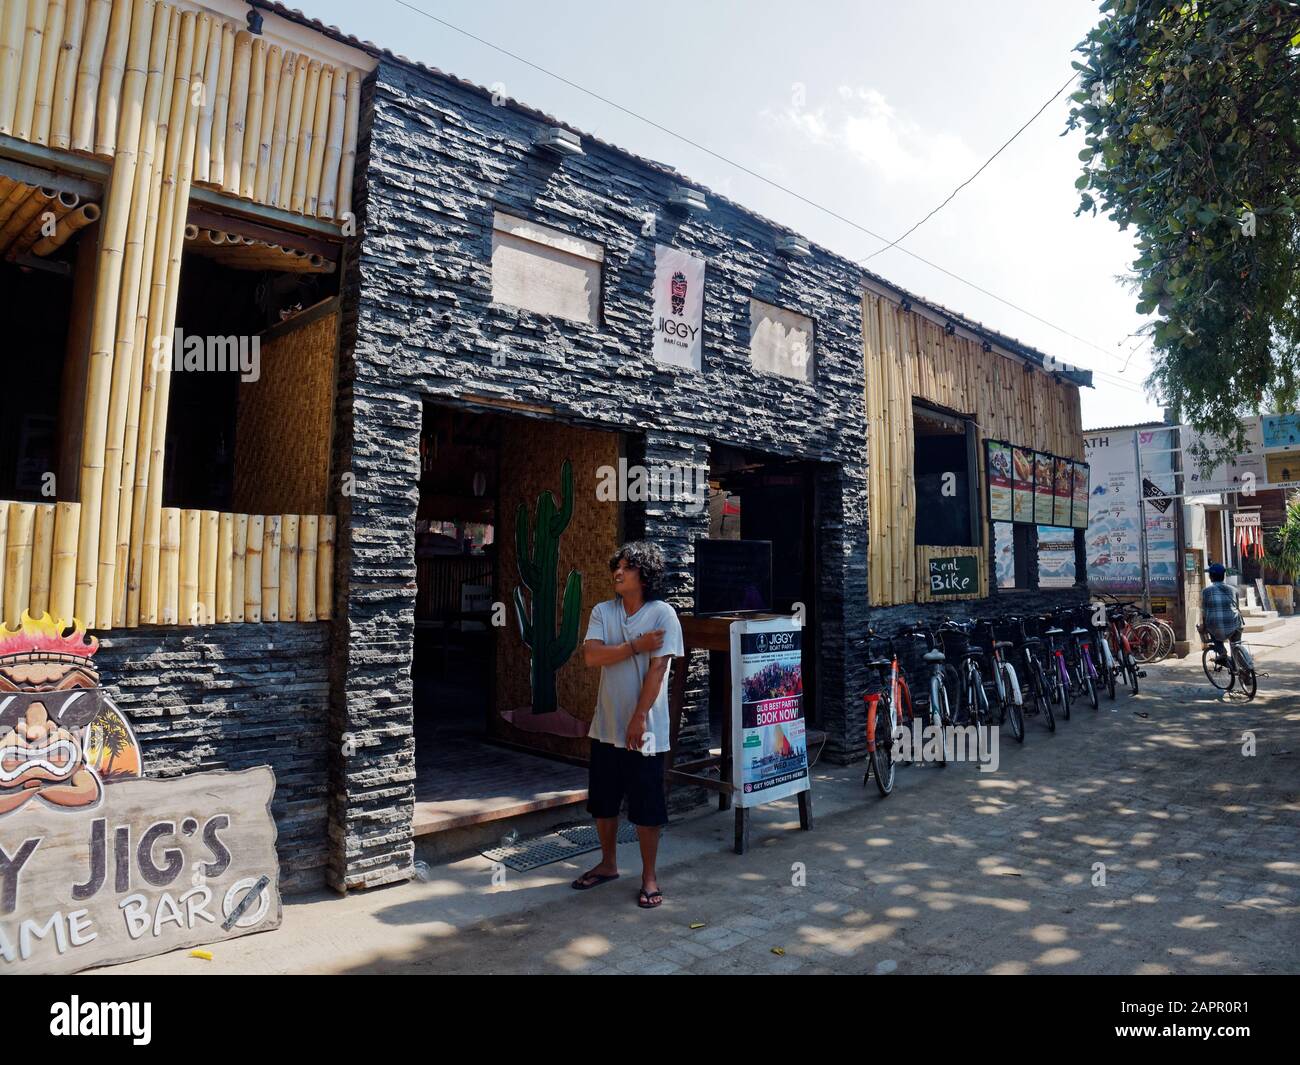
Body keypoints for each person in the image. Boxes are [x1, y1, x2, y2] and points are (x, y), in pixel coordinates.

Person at [571, 541, 683, 909]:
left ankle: (649, 876)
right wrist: (635, 645)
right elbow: (591, 656)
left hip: (645, 730)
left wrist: (638, 719)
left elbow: (658, 669)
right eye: (616, 566)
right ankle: (608, 864)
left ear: (644, 574)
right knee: (603, 803)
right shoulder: (604, 611)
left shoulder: (663, 614)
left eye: (627, 567)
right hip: (605, 726)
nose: (618, 573)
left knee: (646, 806)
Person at [1201, 562, 1244, 661]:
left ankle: (1221, 651)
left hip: (1217, 628)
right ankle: (1239, 663)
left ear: (1211, 577)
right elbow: (1237, 607)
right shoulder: (1234, 590)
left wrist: (1204, 625)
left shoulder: (1206, 591)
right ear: (1223, 576)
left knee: (1209, 628)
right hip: (1234, 625)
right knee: (1236, 645)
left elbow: (1205, 611)